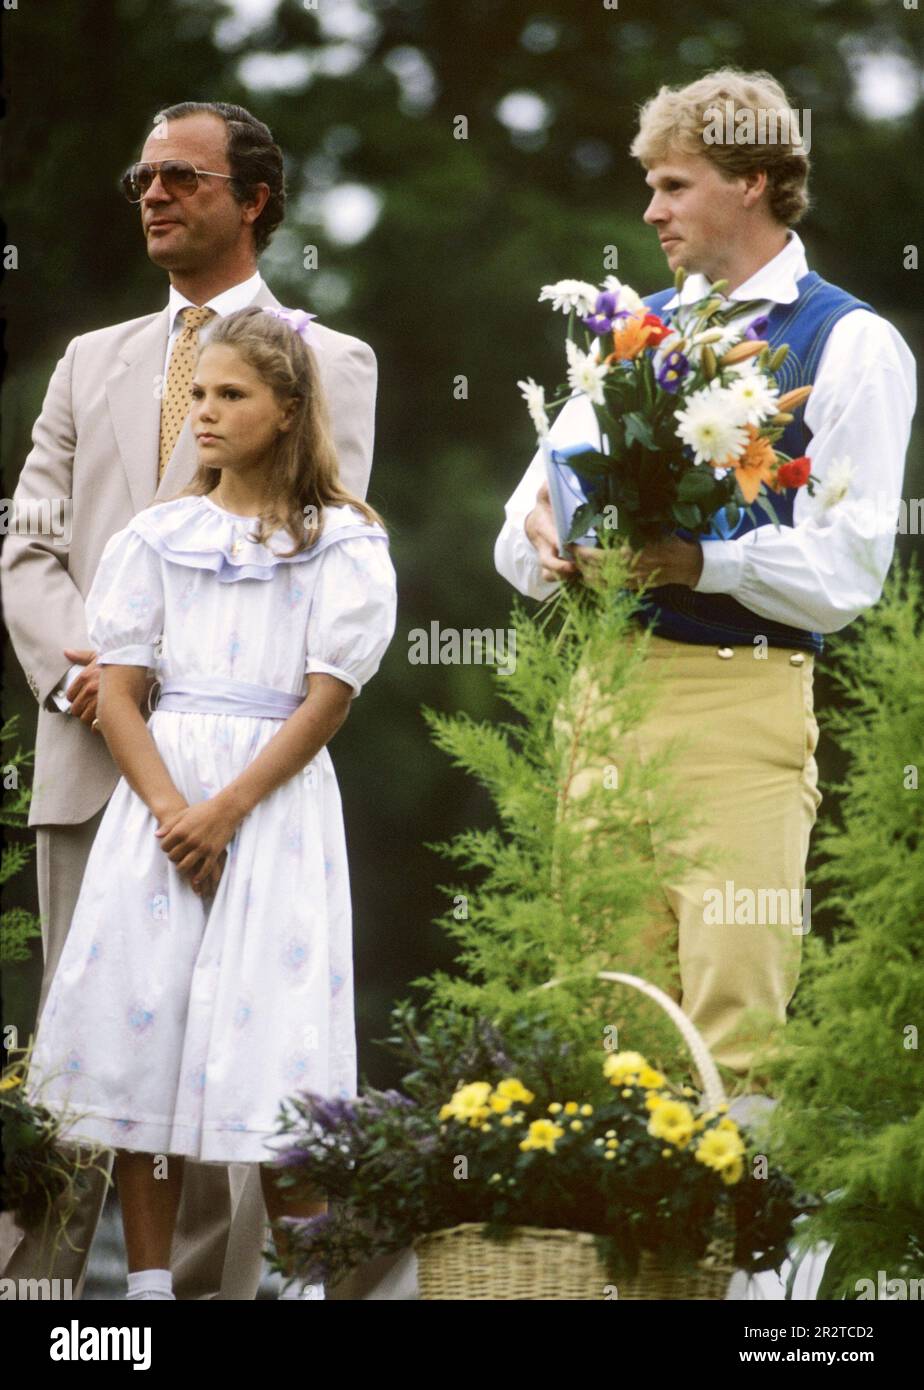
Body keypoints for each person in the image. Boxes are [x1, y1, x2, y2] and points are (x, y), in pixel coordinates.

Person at [0, 100, 378, 1300]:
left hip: (246, 775)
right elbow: (29, 544)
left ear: (253, 196)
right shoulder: (87, 359)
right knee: (91, 1066)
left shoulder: (329, 358)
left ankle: (203, 1306)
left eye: (181, 176)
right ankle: (56, 1313)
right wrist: (99, 674)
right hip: (88, 743)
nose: (153, 193)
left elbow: (309, 535)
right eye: (141, 176)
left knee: (231, 1063)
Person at [495, 68, 916, 1101]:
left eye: (673, 185)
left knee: (733, 1031)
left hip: (744, 699)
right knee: (599, 1023)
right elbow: (515, 533)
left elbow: (852, 570)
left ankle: (729, 1265)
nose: (650, 211)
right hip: (606, 696)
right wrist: (549, 538)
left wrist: (701, 561)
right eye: (650, 184)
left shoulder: (851, 341)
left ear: (757, 182)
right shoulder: (632, 332)